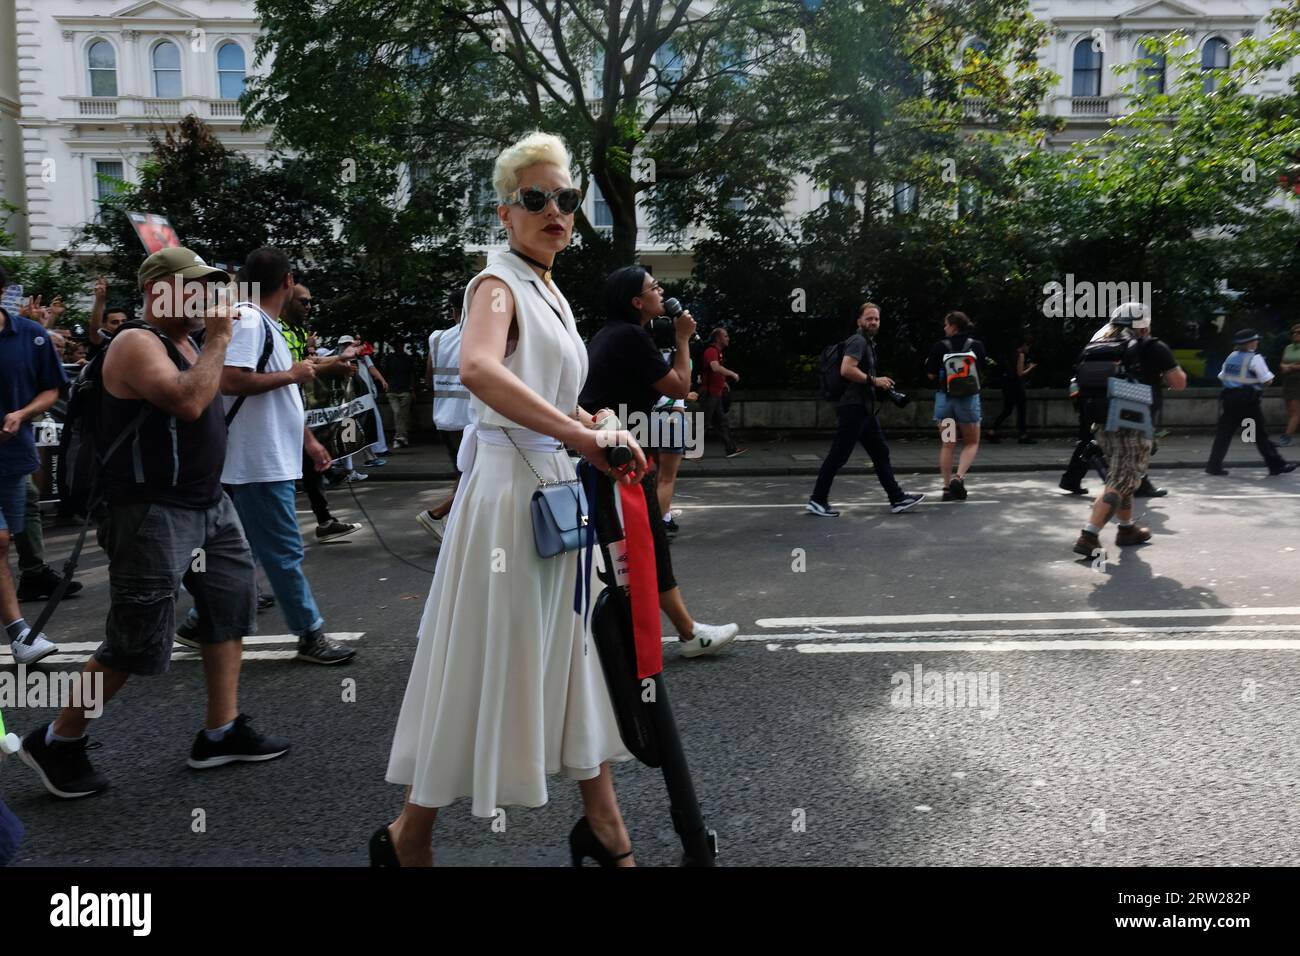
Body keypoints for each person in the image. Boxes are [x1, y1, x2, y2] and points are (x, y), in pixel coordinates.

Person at [377, 131, 647, 868]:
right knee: (483, 657)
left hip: (551, 490)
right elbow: (478, 369)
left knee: (569, 649)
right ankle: (413, 834)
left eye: (565, 198)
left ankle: (604, 827)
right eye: (537, 199)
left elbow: (557, 396)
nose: (555, 209)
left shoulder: (547, 286)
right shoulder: (495, 284)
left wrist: (596, 424)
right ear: (505, 210)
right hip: (510, 495)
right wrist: (580, 436)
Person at [17, 247, 289, 798]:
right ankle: (58, 740)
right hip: (149, 510)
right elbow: (188, 403)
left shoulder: (189, 341)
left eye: (208, 286)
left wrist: (210, 343)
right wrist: (217, 339)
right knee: (135, 637)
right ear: (156, 290)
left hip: (208, 504)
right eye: (192, 286)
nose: (206, 296)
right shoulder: (136, 342)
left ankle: (221, 730)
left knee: (228, 607)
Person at [191, 246, 357, 664]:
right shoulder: (248, 320)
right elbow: (229, 382)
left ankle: (197, 622)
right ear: (287, 281)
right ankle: (310, 635)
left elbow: (276, 394)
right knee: (283, 554)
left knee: (236, 551)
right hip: (256, 465)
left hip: (259, 461)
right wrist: (295, 373)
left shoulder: (263, 322)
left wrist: (308, 441)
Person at [580, 264, 740, 657]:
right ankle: (687, 634)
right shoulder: (632, 336)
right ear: (638, 302)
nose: (661, 290)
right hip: (619, 458)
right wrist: (684, 338)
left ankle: (636, 630)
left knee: (627, 545)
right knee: (646, 542)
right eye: (653, 287)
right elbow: (680, 387)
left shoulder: (613, 334)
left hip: (607, 449)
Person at [1073, 310, 1188, 558]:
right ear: (1144, 325)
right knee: (1120, 480)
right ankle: (1089, 535)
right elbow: (1179, 382)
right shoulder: (1151, 346)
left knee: (1122, 476)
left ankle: (1127, 530)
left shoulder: (1097, 344)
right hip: (1132, 423)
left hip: (1101, 421)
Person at [0, 262, 66, 665]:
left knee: (5, 544)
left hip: (13, 456)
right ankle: (20, 634)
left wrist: (22, 414)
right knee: (0, 541)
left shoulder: (32, 336)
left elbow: (51, 389)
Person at [807, 303, 925, 518]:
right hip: (853, 408)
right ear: (859, 321)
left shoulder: (868, 343)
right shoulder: (858, 341)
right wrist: (874, 380)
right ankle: (817, 499)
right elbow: (846, 369)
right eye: (869, 318)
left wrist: (879, 384)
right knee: (838, 456)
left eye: (876, 319)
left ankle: (897, 498)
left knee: (880, 453)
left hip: (865, 409)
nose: (873, 322)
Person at [282, 283, 360, 542]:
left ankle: (324, 521)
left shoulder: (298, 331)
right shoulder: (276, 328)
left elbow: (309, 361)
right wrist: (332, 366)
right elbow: (293, 369)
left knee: (311, 464)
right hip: (277, 412)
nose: (309, 306)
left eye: (310, 301)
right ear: (285, 299)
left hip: (295, 409)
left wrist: (337, 361)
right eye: (303, 302)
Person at [1205, 328, 1296, 477]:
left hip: (1229, 399)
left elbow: (1222, 376)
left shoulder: (1231, 356)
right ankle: (1276, 465)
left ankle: (1213, 466)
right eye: (1255, 340)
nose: (1257, 342)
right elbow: (1268, 380)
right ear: (1249, 344)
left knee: (1224, 434)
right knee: (1259, 434)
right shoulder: (1255, 358)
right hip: (1247, 401)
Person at [417, 290, 467, 542]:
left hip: (444, 417)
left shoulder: (437, 339)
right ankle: (436, 515)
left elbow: (429, 380)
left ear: (452, 311)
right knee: (472, 474)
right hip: (469, 419)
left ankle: (452, 524)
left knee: (463, 473)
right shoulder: (480, 336)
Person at [925, 311, 986, 501]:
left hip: (945, 402)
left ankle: (945, 488)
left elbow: (931, 375)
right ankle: (959, 478)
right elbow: (981, 369)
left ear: (953, 326)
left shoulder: (939, 347)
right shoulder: (976, 345)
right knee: (971, 442)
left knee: (948, 444)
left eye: (946, 325)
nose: (944, 328)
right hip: (967, 402)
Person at [700, 327, 744, 458]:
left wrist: (723, 383)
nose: (728, 338)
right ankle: (690, 451)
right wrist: (732, 374)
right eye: (725, 336)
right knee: (703, 423)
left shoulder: (717, 352)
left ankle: (731, 449)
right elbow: (715, 367)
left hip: (716, 393)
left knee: (721, 423)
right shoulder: (711, 351)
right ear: (718, 338)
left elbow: (714, 372)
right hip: (709, 393)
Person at [986, 332, 1036, 444]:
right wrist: (1030, 368)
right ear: (1023, 345)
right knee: (1021, 410)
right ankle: (1023, 435)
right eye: (1028, 345)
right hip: (1017, 387)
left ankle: (991, 431)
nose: (1029, 348)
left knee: (1007, 410)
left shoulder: (1010, 354)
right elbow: (1020, 373)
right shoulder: (1021, 355)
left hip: (1007, 386)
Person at [382, 341, 417, 448]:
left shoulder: (408, 359)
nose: (399, 347)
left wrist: (412, 389)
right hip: (392, 391)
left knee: (403, 415)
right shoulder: (390, 359)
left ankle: (400, 438)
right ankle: (400, 437)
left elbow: (412, 375)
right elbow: (384, 373)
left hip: (405, 390)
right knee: (398, 413)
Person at [87, 277, 130, 362]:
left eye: (124, 321)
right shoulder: (102, 341)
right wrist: (100, 300)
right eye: (115, 322)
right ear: (104, 325)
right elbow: (95, 328)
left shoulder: (133, 341)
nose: (120, 324)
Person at [1277, 322, 1300, 446]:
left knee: (1296, 409)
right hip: (1287, 380)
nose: (1296, 335)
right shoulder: (1288, 348)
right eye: (1294, 332)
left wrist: (1291, 367)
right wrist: (1286, 366)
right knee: (1289, 409)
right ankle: (1291, 430)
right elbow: (1282, 362)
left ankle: (1287, 436)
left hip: (1298, 380)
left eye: (1299, 332)